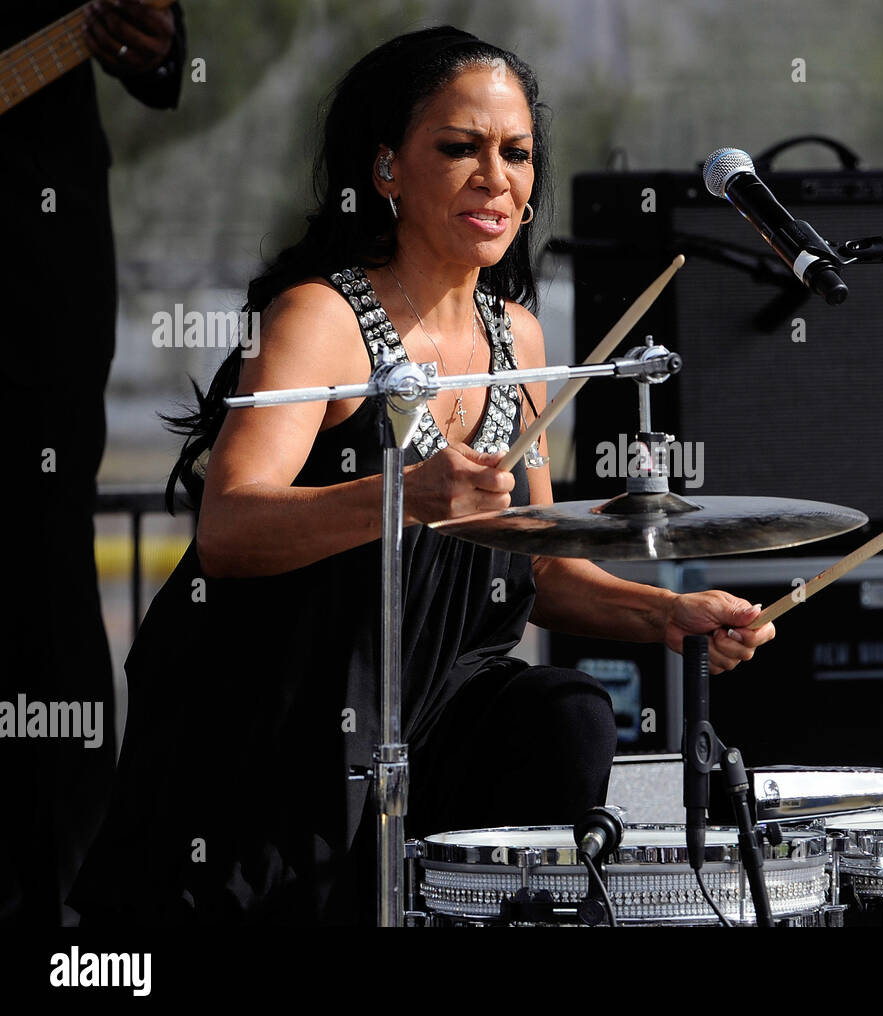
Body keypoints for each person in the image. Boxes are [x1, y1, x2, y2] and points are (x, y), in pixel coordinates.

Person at [67, 25, 775, 926]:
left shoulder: (518, 338)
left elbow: (544, 564)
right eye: (459, 148)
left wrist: (667, 614)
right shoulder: (319, 316)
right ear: (388, 169)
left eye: (516, 154)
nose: (497, 177)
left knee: (565, 714)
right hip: (281, 715)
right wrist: (405, 496)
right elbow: (230, 529)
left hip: (433, 711)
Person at [0, 0, 185, 926]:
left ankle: (61, 904)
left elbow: (153, 37)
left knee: (42, 565)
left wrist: (158, 45)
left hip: (32, 262)